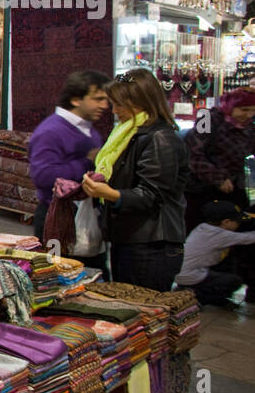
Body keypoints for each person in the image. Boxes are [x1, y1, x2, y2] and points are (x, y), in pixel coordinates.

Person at [81, 68, 188, 292]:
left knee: (143, 312)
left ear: (140, 102)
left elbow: (151, 195)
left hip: (151, 245)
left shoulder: (160, 138)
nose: (115, 110)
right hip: (132, 238)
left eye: (119, 104)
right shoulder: (130, 134)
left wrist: (106, 193)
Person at [28, 70, 110, 269]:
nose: (104, 106)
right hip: (57, 221)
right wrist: (87, 163)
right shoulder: (51, 131)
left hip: (83, 217)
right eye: (97, 99)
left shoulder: (87, 128)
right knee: (57, 277)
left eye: (106, 100)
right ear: (75, 99)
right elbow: (43, 176)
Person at [184, 87, 255, 230]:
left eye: (253, 110)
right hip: (202, 188)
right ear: (231, 106)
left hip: (234, 185)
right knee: (201, 228)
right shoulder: (208, 119)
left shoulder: (249, 126)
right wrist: (218, 177)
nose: (249, 114)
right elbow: (192, 153)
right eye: (244, 109)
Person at [175, 201, 255, 306]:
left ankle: (185, 288)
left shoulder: (202, 227)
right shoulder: (221, 235)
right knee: (234, 281)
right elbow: (250, 238)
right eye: (238, 221)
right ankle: (196, 297)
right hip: (192, 276)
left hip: (180, 274)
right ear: (226, 222)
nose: (239, 224)